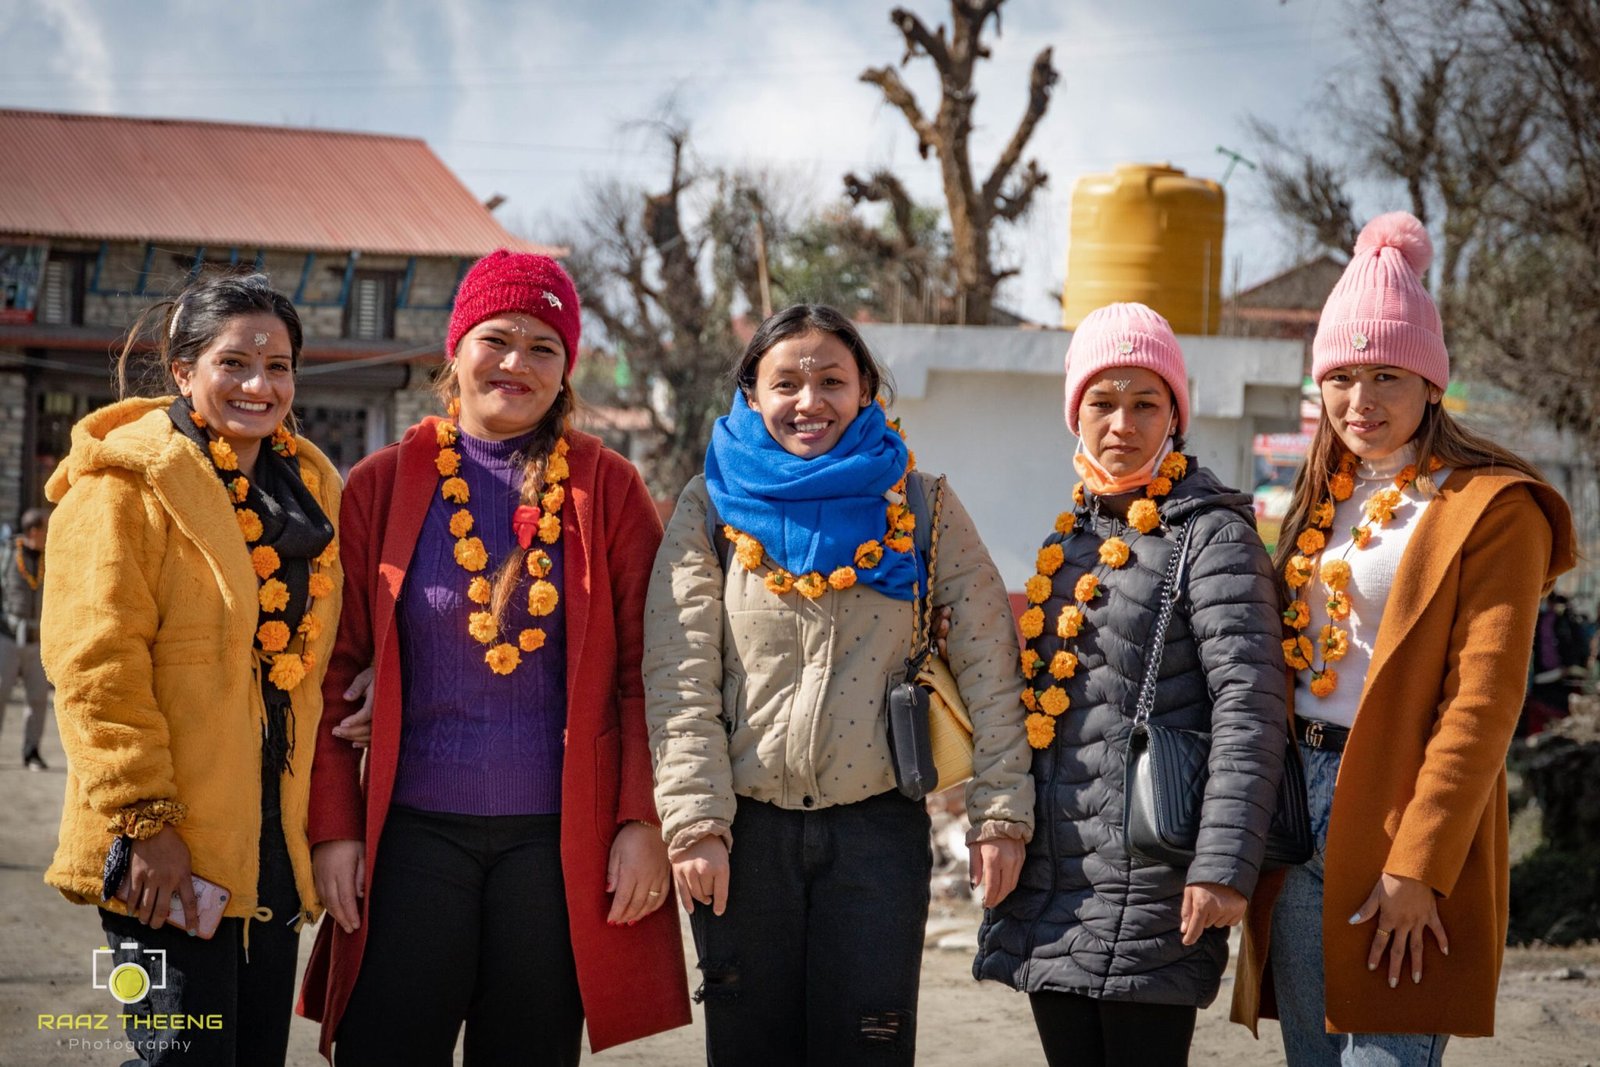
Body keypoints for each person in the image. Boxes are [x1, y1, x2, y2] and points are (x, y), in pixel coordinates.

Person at [299, 250, 690, 1066]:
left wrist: (642, 822)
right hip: (409, 839)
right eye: (497, 339)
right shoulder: (379, 483)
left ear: (567, 369)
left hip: (555, 849)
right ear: (457, 350)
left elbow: (647, 675)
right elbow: (333, 672)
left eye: (543, 347)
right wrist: (334, 830)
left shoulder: (608, 488)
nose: (517, 363)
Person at [644, 303, 1035, 1065]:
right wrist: (696, 823)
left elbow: (991, 661)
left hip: (877, 836)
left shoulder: (921, 505)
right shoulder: (710, 507)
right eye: (785, 383)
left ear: (865, 391)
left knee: (870, 1047)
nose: (809, 401)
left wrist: (999, 817)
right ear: (751, 394)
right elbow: (679, 672)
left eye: (831, 380)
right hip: (743, 837)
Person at [1229, 212, 1576, 1064]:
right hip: (1296, 808)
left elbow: (1481, 706)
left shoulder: (1494, 508)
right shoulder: (1319, 497)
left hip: (1400, 809)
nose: (1362, 401)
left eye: (1387, 374)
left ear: (1431, 382)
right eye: (1341, 377)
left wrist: (1420, 861)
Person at [975, 301, 1289, 1067]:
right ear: (1075, 414)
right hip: (1055, 885)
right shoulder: (1069, 541)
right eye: (1102, 402)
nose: (1122, 424)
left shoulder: (1212, 535)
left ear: (1175, 415)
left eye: (1146, 402)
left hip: (1158, 882)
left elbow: (1250, 708)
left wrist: (1222, 865)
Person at [41, 272, 343, 1066]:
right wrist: (146, 820)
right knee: (180, 1055)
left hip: (271, 846)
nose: (259, 386)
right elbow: (94, 665)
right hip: (166, 846)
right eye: (233, 362)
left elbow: (321, 648)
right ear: (182, 370)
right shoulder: (122, 484)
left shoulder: (311, 490)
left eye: (278, 366)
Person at [2, 506, 51, 769]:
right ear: (34, 531)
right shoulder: (8, 553)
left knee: (38, 699)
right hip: (7, 639)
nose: (50, 533)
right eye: (46, 528)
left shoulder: (50, 558)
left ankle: (31, 752)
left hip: (38, 642)